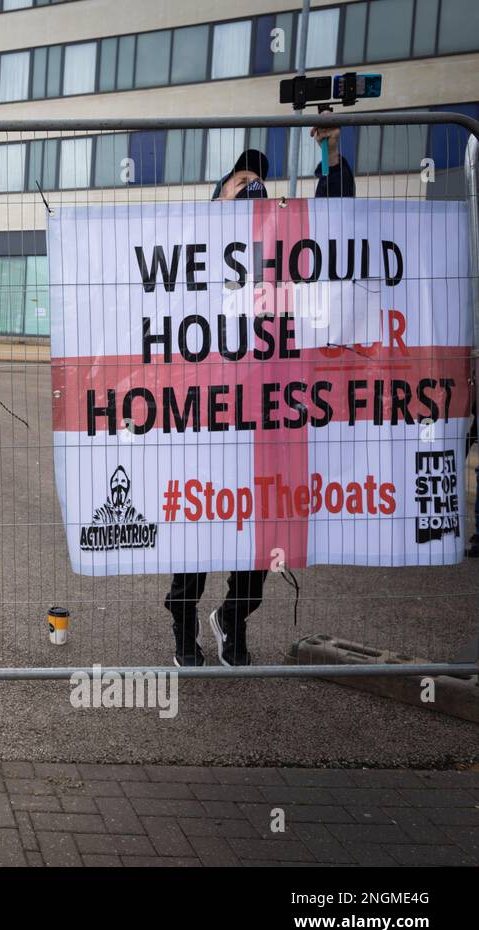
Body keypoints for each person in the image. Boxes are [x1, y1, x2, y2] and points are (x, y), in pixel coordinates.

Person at [167, 127, 354, 668]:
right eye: (240, 181)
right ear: (217, 199)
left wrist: (331, 155)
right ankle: (184, 621)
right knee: (197, 533)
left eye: (259, 182)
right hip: (205, 424)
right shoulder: (194, 259)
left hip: (262, 424)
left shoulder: (282, 258)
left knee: (257, 535)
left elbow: (337, 230)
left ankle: (234, 615)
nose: (252, 188)